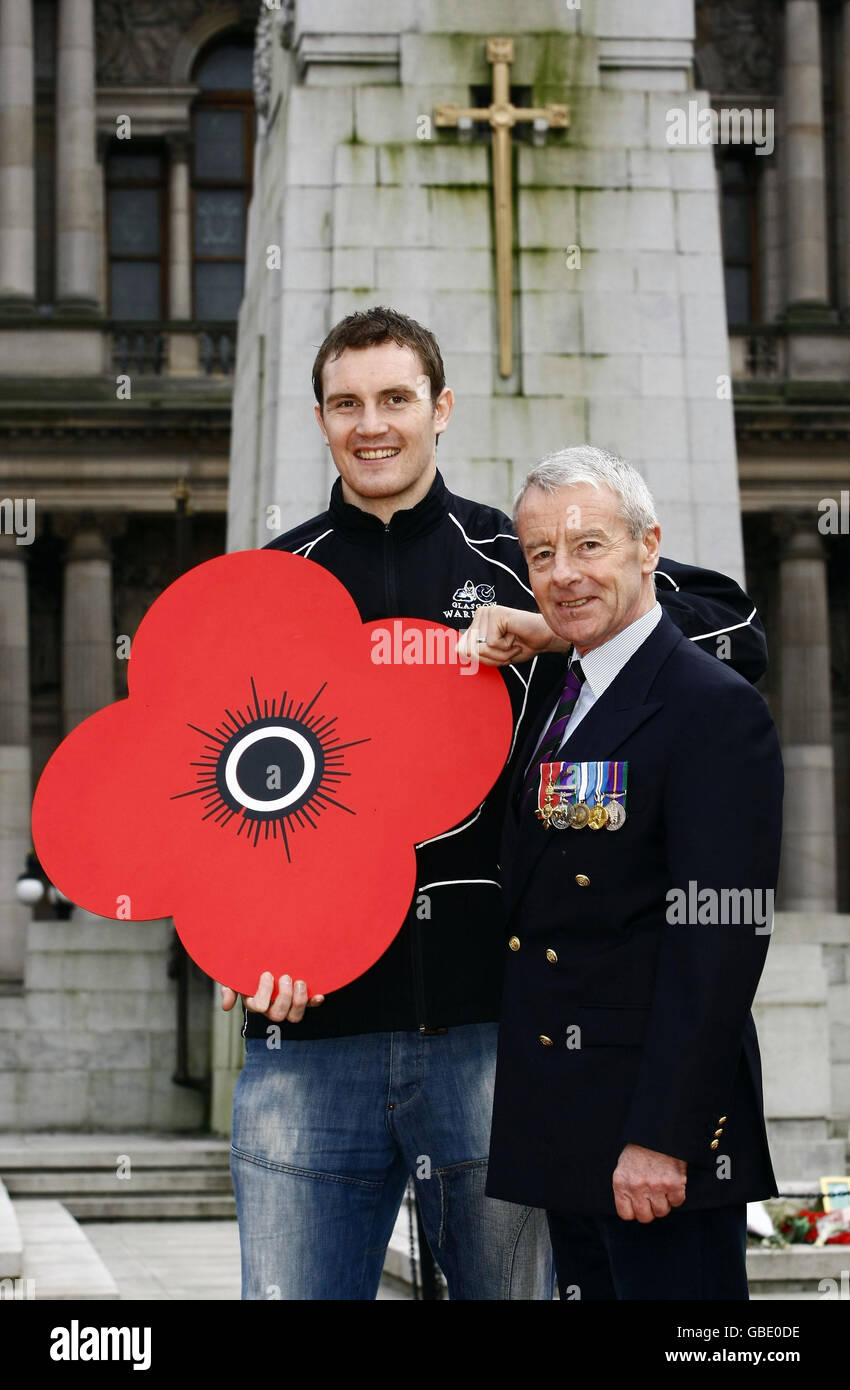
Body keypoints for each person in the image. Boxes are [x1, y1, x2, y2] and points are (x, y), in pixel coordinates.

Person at [221, 307, 770, 1301]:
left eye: (395, 398)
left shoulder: (524, 552)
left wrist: (557, 630)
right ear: (318, 419)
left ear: (442, 408)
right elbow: (197, 795)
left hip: (496, 1039)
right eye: (346, 403)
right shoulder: (267, 587)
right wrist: (233, 944)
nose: (371, 423)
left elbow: (735, 629)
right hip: (307, 1044)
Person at [471, 446, 783, 1301]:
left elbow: (717, 944)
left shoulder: (712, 707)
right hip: (568, 1134)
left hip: (655, 1148)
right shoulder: (559, 699)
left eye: (589, 546)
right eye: (541, 555)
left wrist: (663, 1138)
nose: (563, 575)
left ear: (650, 549)